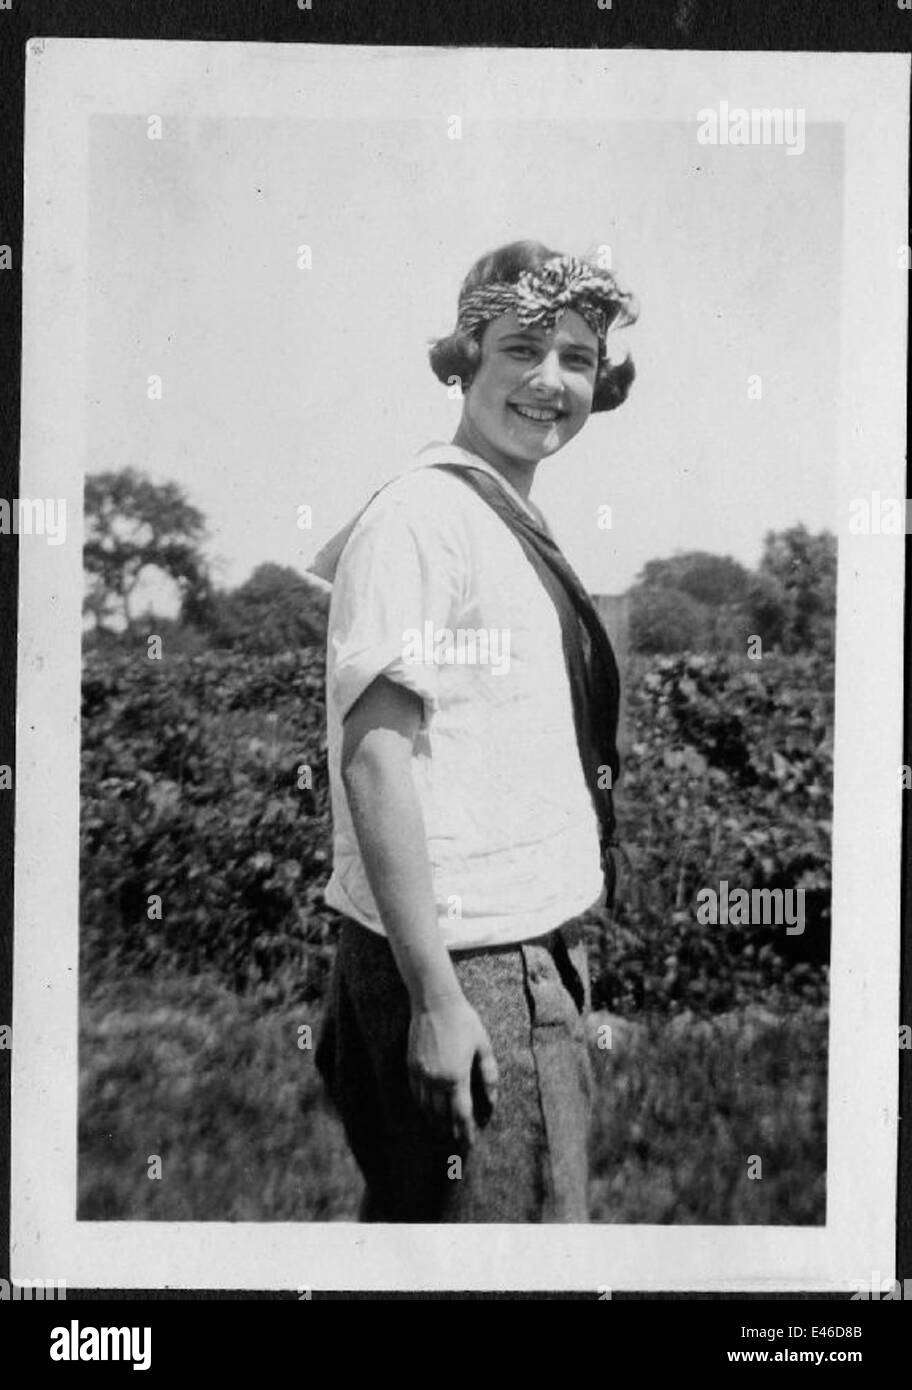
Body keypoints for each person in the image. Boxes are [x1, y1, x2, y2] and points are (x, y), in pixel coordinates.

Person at [311, 239, 638, 1221]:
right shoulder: (426, 517)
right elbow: (375, 761)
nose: (551, 381)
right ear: (464, 358)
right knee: (518, 1258)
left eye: (577, 357)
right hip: (469, 966)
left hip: (467, 955)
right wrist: (440, 999)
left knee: (427, 1244)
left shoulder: (487, 513)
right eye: (521, 348)